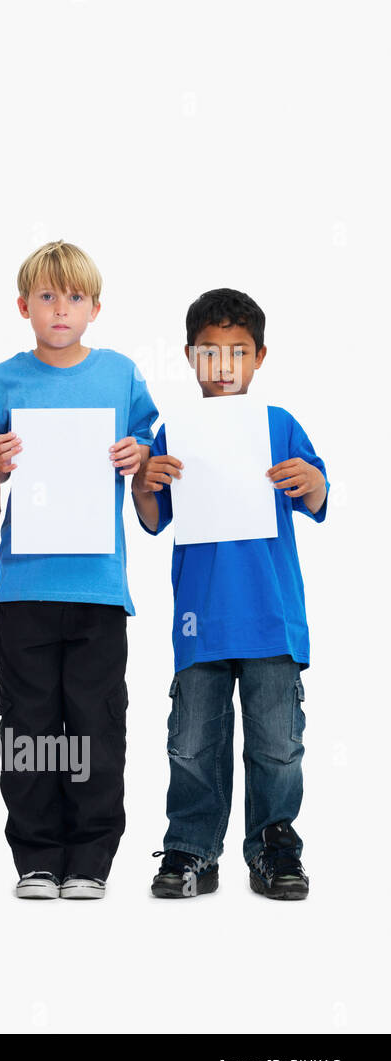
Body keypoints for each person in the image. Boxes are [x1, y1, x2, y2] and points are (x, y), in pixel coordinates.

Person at [134, 288, 328, 901]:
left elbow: (320, 498)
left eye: (237, 352)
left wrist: (312, 481)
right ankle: (192, 847)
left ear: (260, 357)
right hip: (202, 618)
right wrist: (145, 481)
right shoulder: (175, 431)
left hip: (272, 618)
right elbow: (151, 516)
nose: (223, 365)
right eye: (210, 352)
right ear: (190, 357)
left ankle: (274, 842)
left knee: (277, 744)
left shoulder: (279, 425)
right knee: (192, 742)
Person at [0, 240, 157, 899]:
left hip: (99, 587)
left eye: (74, 297)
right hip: (24, 584)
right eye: (47, 296)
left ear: (96, 308)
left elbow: (150, 456)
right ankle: (37, 856)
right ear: (24, 306)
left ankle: (89, 856)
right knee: (27, 725)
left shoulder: (122, 376)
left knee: (95, 721)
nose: (61, 308)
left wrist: (138, 454)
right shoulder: (3, 381)